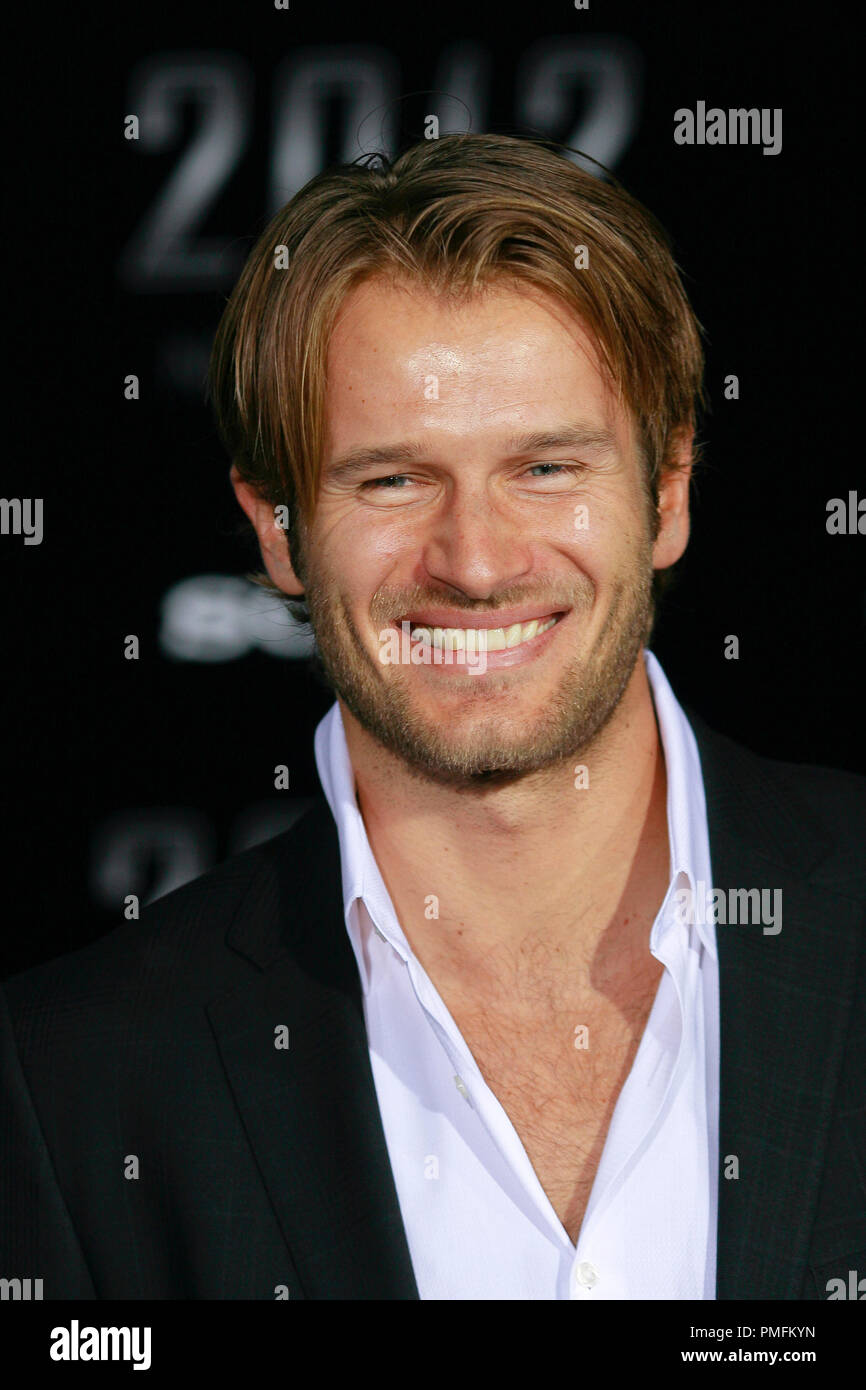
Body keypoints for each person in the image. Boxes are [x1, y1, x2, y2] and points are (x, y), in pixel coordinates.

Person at [2, 134, 863, 1301]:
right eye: (392, 479)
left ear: (666, 494)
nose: (473, 561)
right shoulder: (79, 1073)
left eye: (545, 468)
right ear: (277, 528)